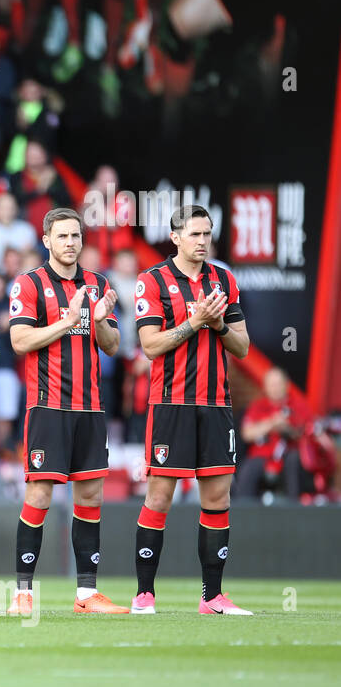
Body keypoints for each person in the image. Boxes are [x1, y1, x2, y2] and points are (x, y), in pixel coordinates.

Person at [6, 208, 127, 614]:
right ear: (46, 241)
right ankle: (23, 593)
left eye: (75, 235)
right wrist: (68, 321)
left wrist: (99, 321)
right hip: (48, 405)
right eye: (62, 236)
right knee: (40, 494)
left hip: (89, 406)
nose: (70, 242)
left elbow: (112, 346)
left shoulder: (98, 284)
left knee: (90, 494)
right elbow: (20, 341)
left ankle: (86, 595)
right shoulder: (29, 284)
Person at [133, 205, 251, 614]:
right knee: (159, 497)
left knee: (218, 497)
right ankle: (144, 594)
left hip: (216, 403)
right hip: (171, 403)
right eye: (195, 234)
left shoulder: (224, 280)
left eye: (207, 234)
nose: (203, 241)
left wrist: (218, 325)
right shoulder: (152, 281)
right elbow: (150, 346)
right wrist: (195, 321)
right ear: (176, 237)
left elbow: (242, 346)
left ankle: (212, 596)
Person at [235, 368, 316, 502]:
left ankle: (294, 508)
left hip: (288, 456)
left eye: (278, 384)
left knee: (294, 461)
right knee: (248, 468)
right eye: (272, 385)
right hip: (262, 457)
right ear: (265, 387)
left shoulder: (299, 406)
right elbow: (247, 434)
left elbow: (307, 434)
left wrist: (287, 429)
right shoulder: (258, 406)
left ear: (286, 385)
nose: (275, 388)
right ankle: (244, 509)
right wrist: (272, 423)